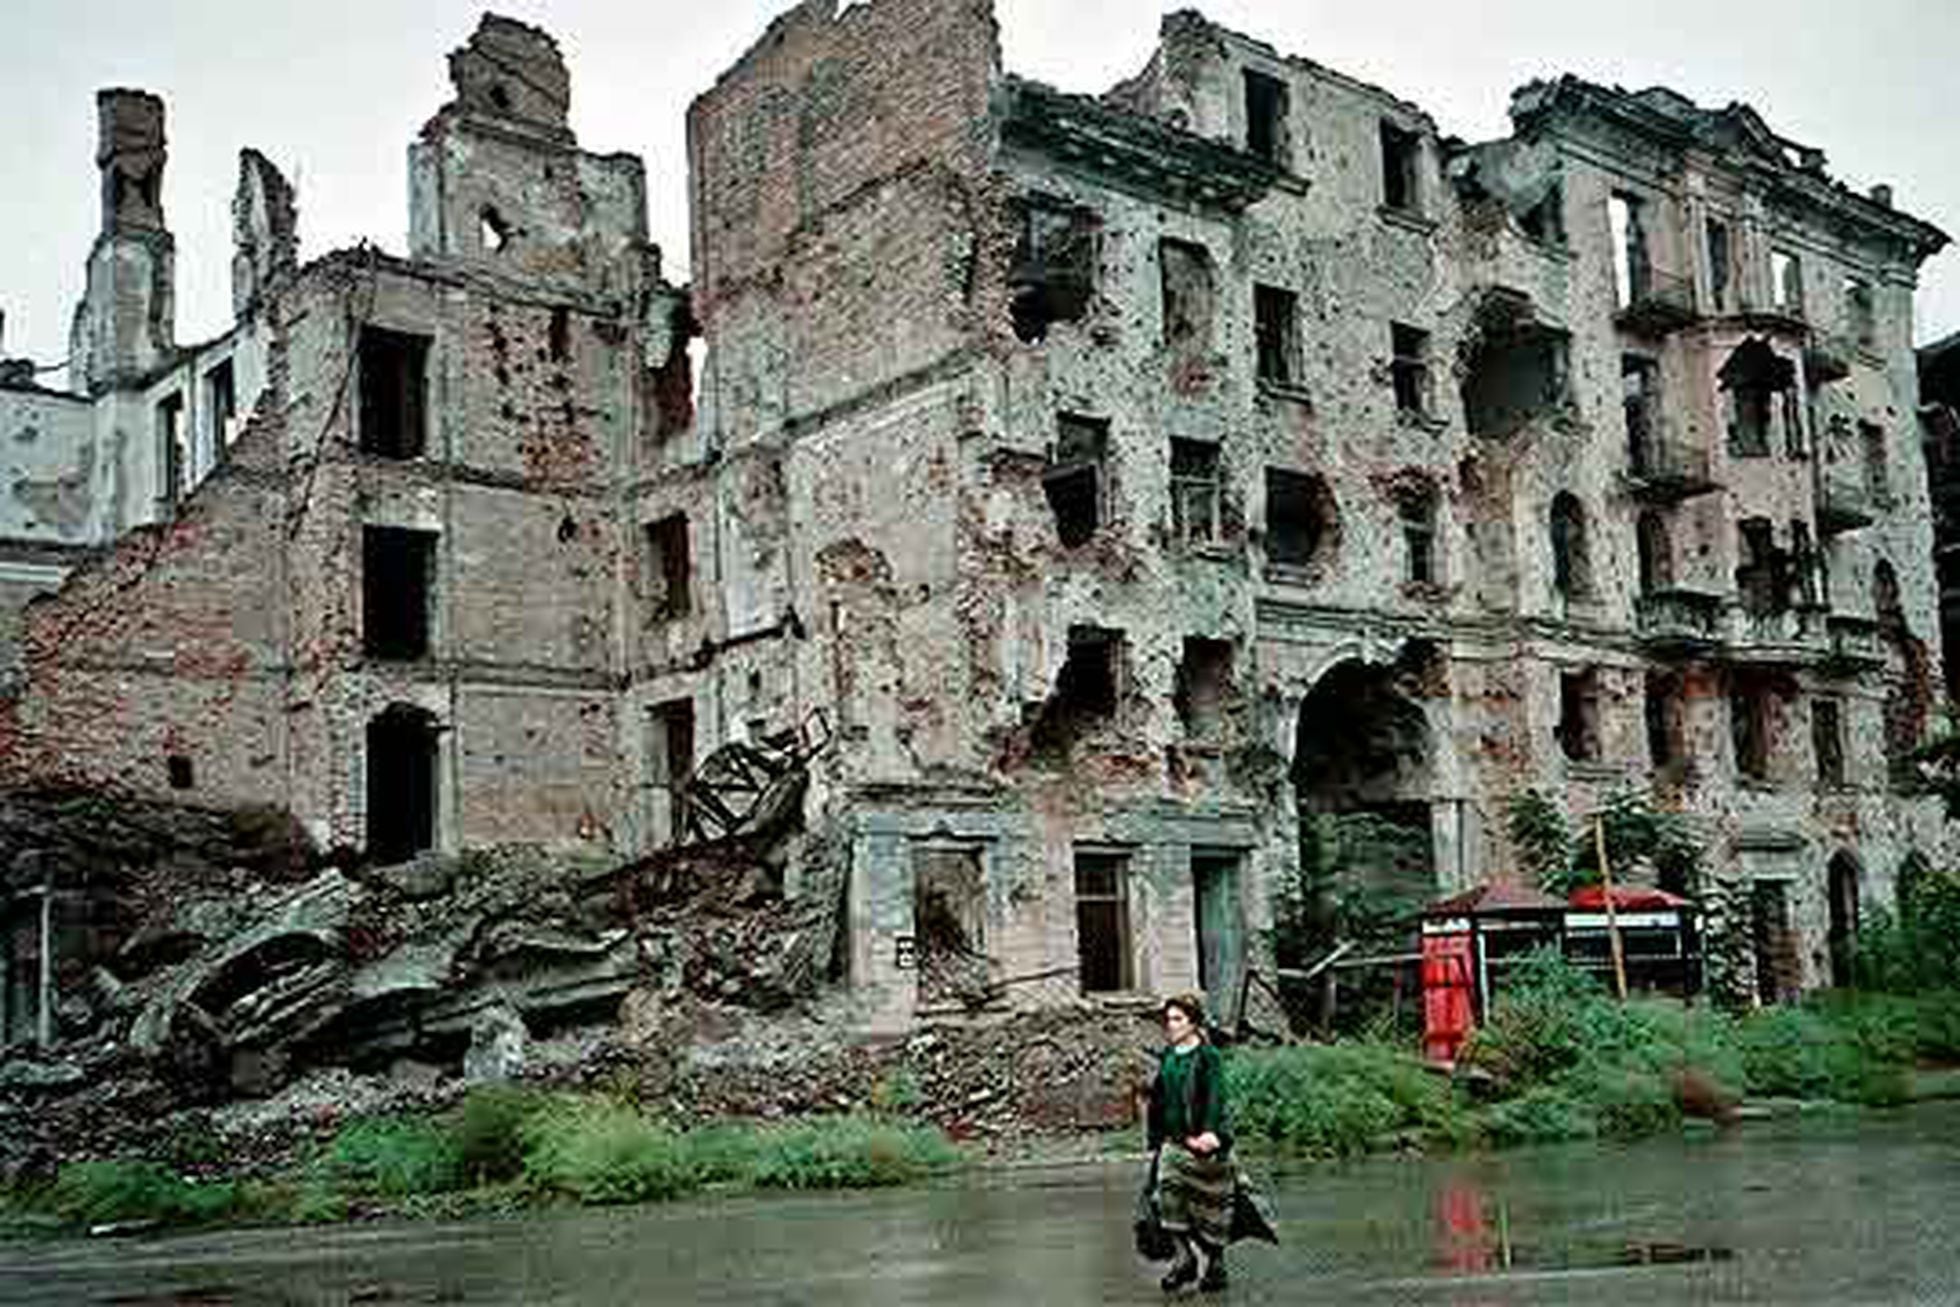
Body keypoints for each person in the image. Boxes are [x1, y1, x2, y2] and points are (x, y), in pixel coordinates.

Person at [1143, 992, 1274, 1292]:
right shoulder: (1168, 1056)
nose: (1171, 1025)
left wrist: (1212, 1132)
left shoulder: (1207, 1057)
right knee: (1166, 1199)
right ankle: (1184, 1259)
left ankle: (1216, 1265)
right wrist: (1157, 1136)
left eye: (1177, 1019)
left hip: (1207, 1147)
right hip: (1175, 1144)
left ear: (1193, 1023)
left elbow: (1217, 1095)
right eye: (1168, 1020)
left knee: (1212, 1210)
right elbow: (1161, 1099)